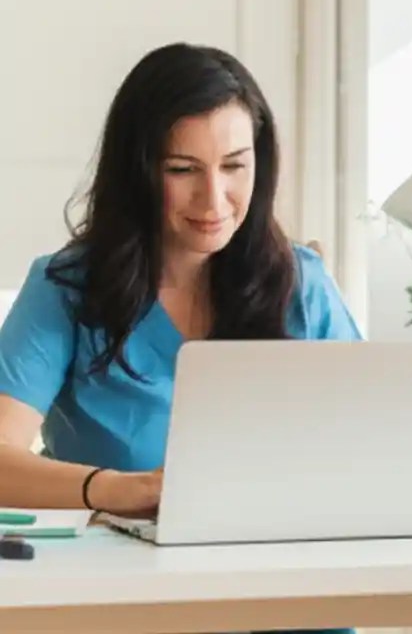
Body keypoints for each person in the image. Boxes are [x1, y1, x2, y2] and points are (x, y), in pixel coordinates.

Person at [0, 42, 359, 634]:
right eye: (182, 169)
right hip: (130, 607)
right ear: (138, 170)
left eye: (235, 166)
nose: (214, 201)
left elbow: (371, 443)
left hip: (291, 597)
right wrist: (113, 491)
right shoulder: (64, 289)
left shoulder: (302, 284)